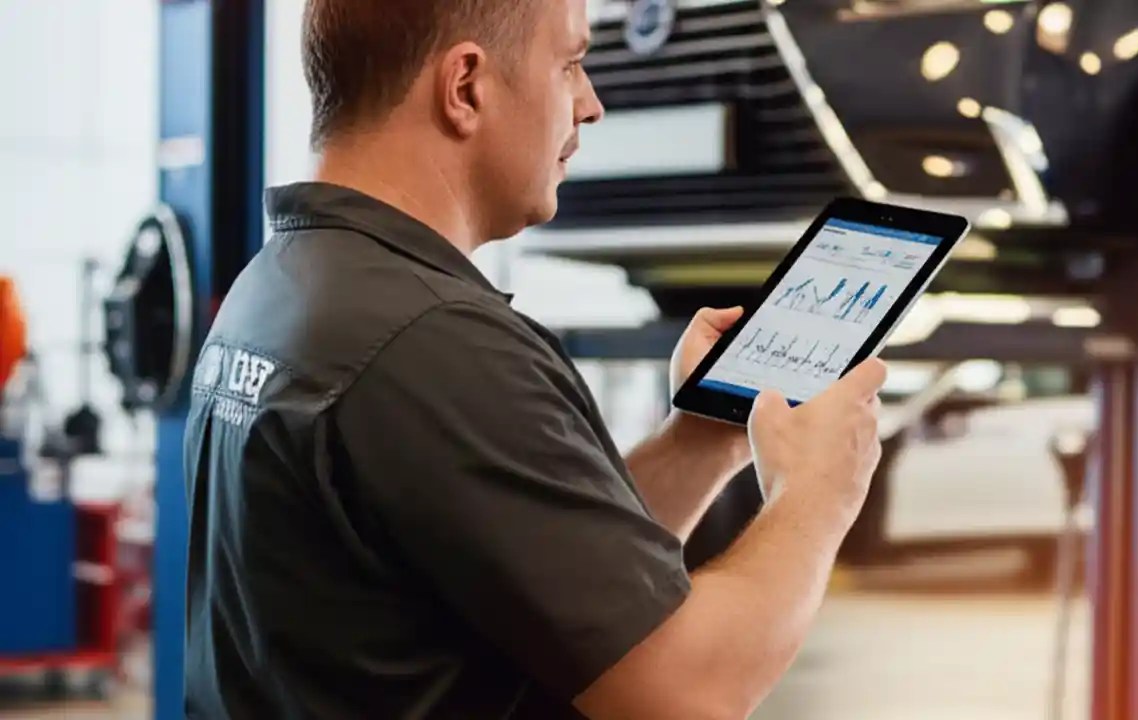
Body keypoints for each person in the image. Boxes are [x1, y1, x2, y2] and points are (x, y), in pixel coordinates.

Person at [181, 0, 886, 717]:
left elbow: (540, 557)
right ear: (466, 89)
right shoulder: (433, 343)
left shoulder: (280, 285)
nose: (591, 105)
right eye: (571, 65)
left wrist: (700, 442)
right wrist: (818, 495)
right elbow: (684, 692)